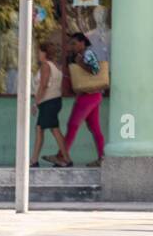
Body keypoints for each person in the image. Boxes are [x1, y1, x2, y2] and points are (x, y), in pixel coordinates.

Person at [51, 32, 106, 167]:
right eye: (71, 44)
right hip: (93, 95)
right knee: (95, 128)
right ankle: (103, 159)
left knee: (73, 125)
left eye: (74, 43)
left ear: (82, 43)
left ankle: (62, 156)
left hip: (88, 95)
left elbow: (95, 70)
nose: (72, 46)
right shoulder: (82, 55)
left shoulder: (87, 54)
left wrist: (79, 63)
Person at [31, 39, 69, 168]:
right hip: (54, 101)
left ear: (44, 52)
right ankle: (65, 158)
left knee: (43, 129)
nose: (38, 54)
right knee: (51, 129)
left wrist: (35, 103)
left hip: (48, 102)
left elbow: (43, 85)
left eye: (39, 51)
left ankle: (34, 160)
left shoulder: (45, 66)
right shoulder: (55, 65)